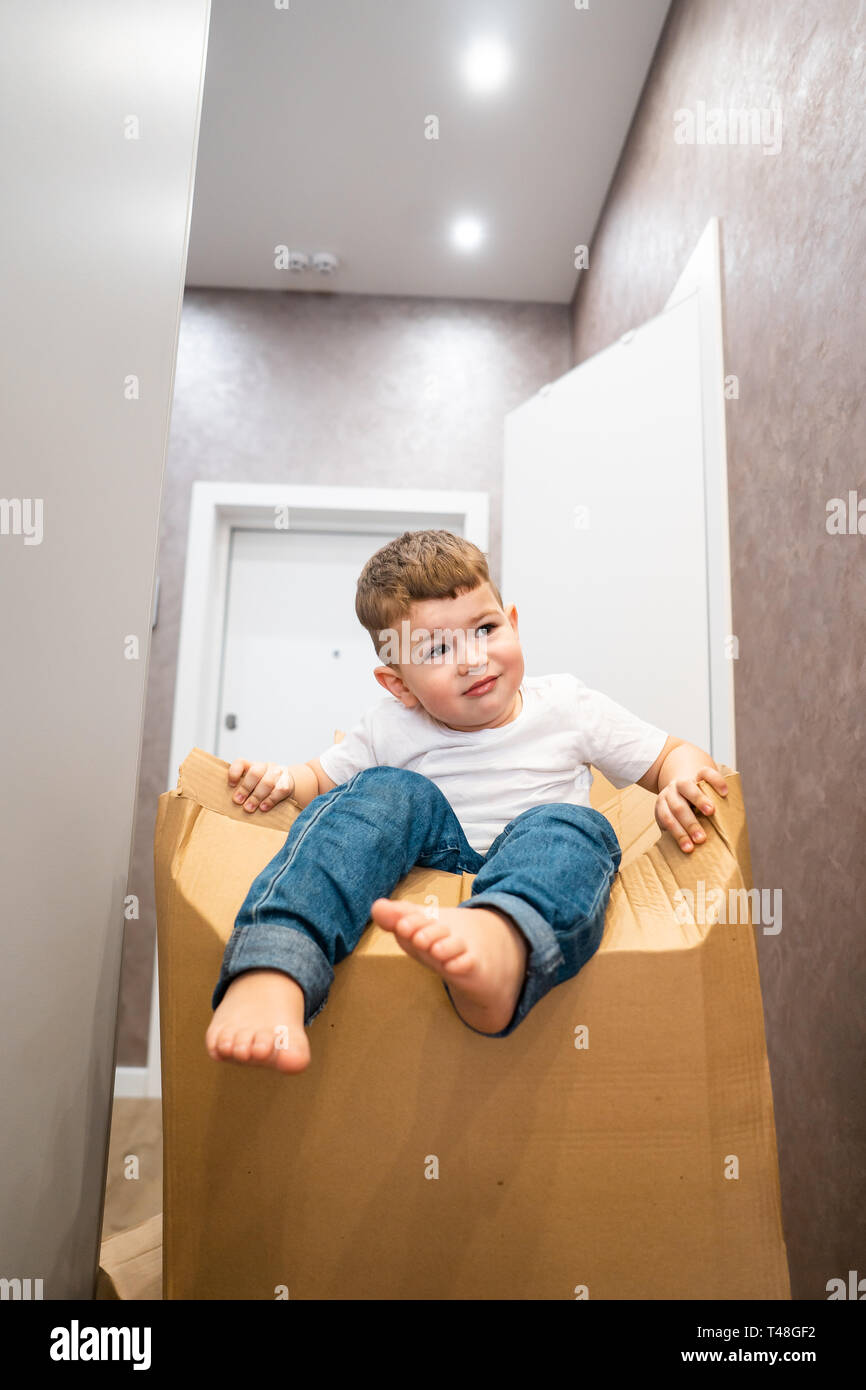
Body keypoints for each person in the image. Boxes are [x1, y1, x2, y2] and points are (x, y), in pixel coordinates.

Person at [206, 529, 727, 1074]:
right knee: (382, 792)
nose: (473, 659)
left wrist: (680, 779)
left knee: (574, 826)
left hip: (536, 862)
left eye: (485, 629)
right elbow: (318, 780)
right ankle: (275, 965)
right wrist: (281, 778)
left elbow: (672, 753)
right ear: (399, 685)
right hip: (431, 856)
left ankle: (499, 944)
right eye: (436, 650)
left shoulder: (569, 706)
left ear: (514, 623)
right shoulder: (391, 726)